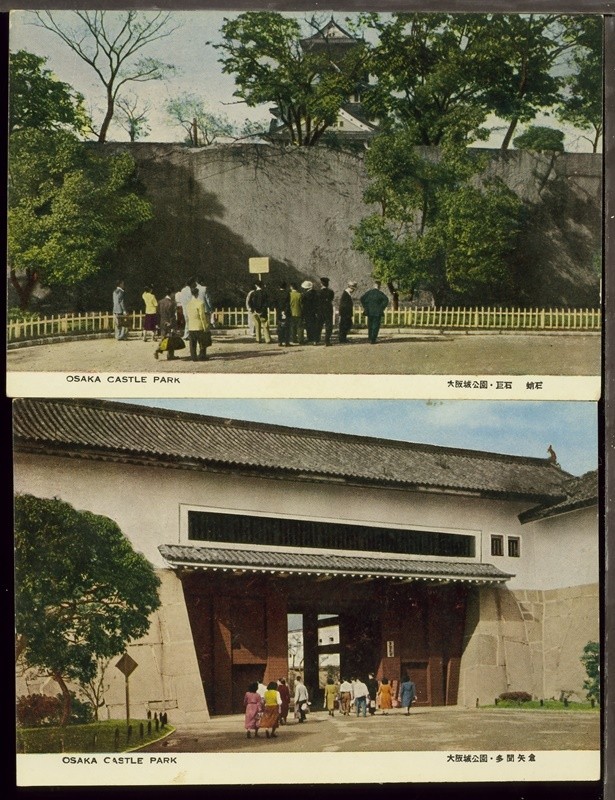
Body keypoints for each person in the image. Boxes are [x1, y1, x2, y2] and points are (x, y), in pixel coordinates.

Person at [360, 280, 389, 344]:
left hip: (369, 311)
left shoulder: (368, 293)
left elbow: (362, 299)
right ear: (379, 286)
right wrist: (381, 308)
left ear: (374, 285)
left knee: (370, 324)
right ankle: (373, 339)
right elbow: (386, 300)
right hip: (377, 312)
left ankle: (370, 338)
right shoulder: (380, 294)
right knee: (376, 325)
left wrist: (366, 306)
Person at [185, 285, 210, 361]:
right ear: (198, 294)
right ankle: (202, 356)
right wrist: (205, 326)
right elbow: (202, 316)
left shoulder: (188, 304)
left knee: (192, 344)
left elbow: (187, 315)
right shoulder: (200, 303)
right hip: (199, 325)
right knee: (202, 343)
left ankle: (193, 357)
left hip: (191, 325)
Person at [154, 288, 179, 361]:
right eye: (173, 293)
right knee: (171, 339)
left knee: (164, 338)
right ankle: (170, 355)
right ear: (171, 293)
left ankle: (158, 350)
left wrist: (158, 323)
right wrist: (172, 324)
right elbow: (172, 315)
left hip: (162, 322)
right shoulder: (172, 303)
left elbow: (157, 313)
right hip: (169, 323)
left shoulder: (160, 302)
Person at [301, 280, 320, 345]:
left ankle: (310, 338)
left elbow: (303, 303)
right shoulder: (316, 293)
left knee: (308, 325)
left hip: (307, 312)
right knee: (314, 325)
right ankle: (315, 339)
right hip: (315, 312)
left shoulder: (305, 295)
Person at [318, 277, 335, 346]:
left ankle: (316, 340)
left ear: (321, 284)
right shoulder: (331, 292)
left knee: (319, 325)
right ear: (327, 284)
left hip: (320, 310)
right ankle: (327, 341)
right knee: (328, 325)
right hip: (328, 309)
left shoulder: (318, 292)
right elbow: (331, 299)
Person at [275, 281, 292, 347]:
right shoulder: (287, 293)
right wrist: (285, 311)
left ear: (279, 287)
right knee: (287, 327)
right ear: (285, 286)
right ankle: (287, 342)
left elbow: (275, 303)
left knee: (280, 327)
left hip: (279, 311)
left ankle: (280, 341)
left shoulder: (277, 293)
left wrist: (278, 310)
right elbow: (288, 303)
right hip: (286, 311)